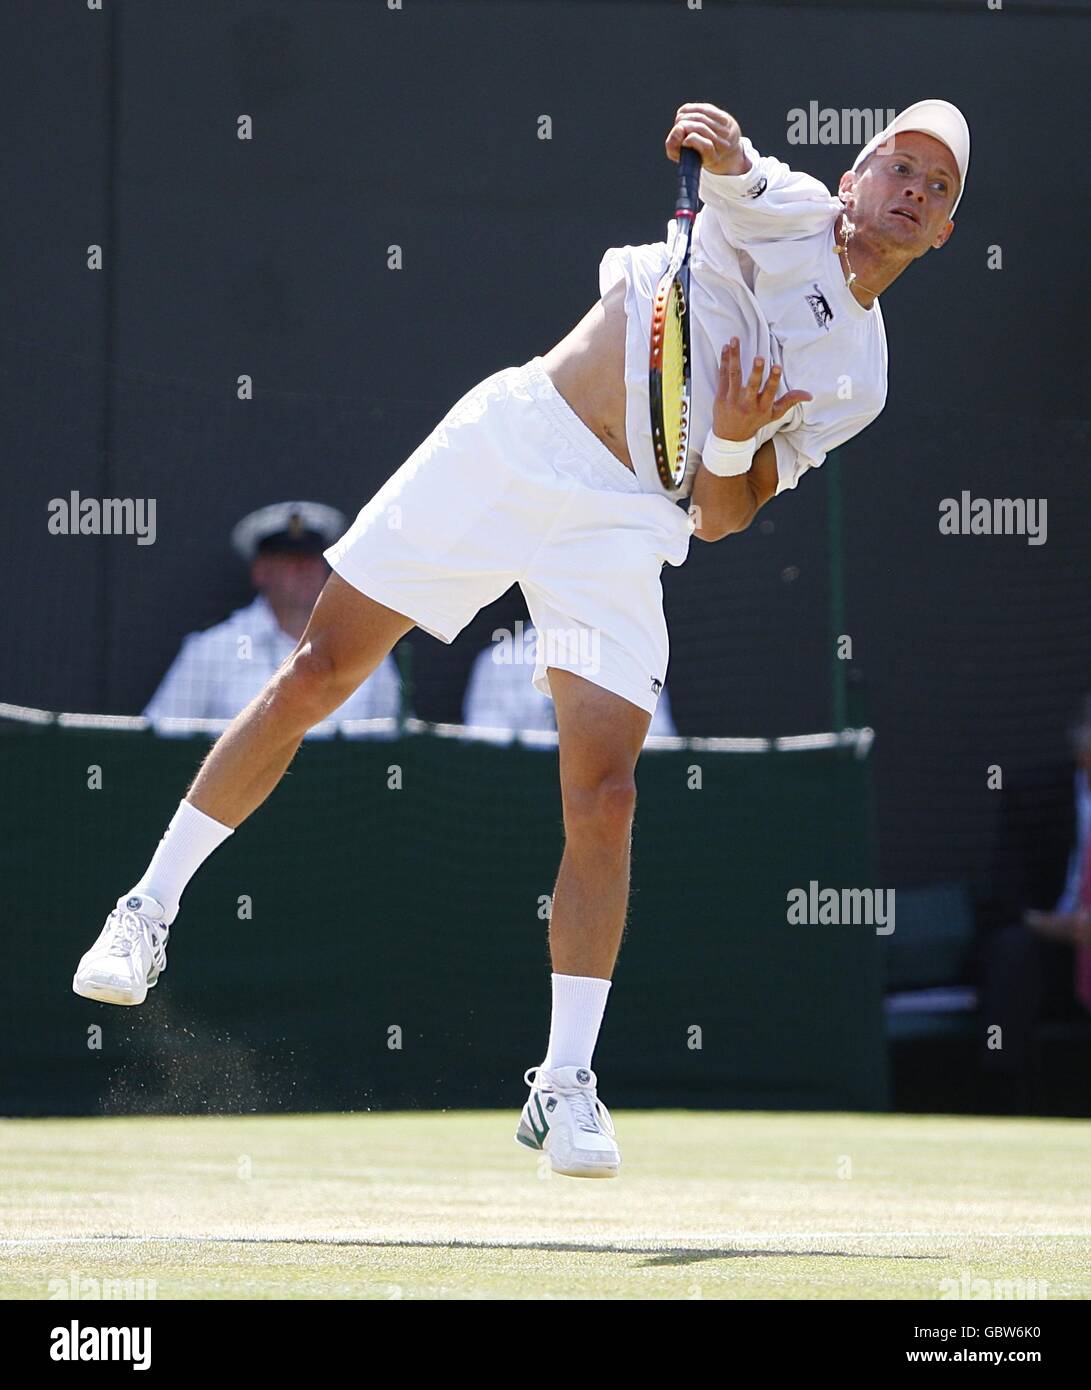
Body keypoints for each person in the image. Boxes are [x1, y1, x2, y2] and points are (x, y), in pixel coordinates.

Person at [73, 100, 969, 1180]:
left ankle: (564, 1082)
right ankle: (147, 906)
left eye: (935, 188)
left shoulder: (857, 379)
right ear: (858, 170)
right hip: (517, 437)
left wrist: (732, 430)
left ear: (940, 234)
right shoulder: (785, 205)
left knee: (607, 793)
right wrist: (723, 149)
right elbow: (733, 168)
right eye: (899, 167)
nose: (909, 191)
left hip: (626, 515)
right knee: (319, 668)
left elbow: (725, 511)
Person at [143, 501, 402, 731]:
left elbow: (398, 743)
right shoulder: (211, 649)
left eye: (311, 559)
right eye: (289, 559)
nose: (303, 570)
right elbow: (160, 739)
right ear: (260, 572)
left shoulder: (366, 646)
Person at [978, 695, 1091, 1106]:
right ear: (1083, 750)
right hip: (1057, 954)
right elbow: (1003, 903)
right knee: (1012, 950)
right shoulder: (1034, 797)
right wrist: (1063, 927)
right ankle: (1005, 1100)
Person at [463, 622, 677, 737]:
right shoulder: (498, 661)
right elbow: (486, 747)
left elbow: (660, 742)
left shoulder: (633, 659)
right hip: (519, 801)